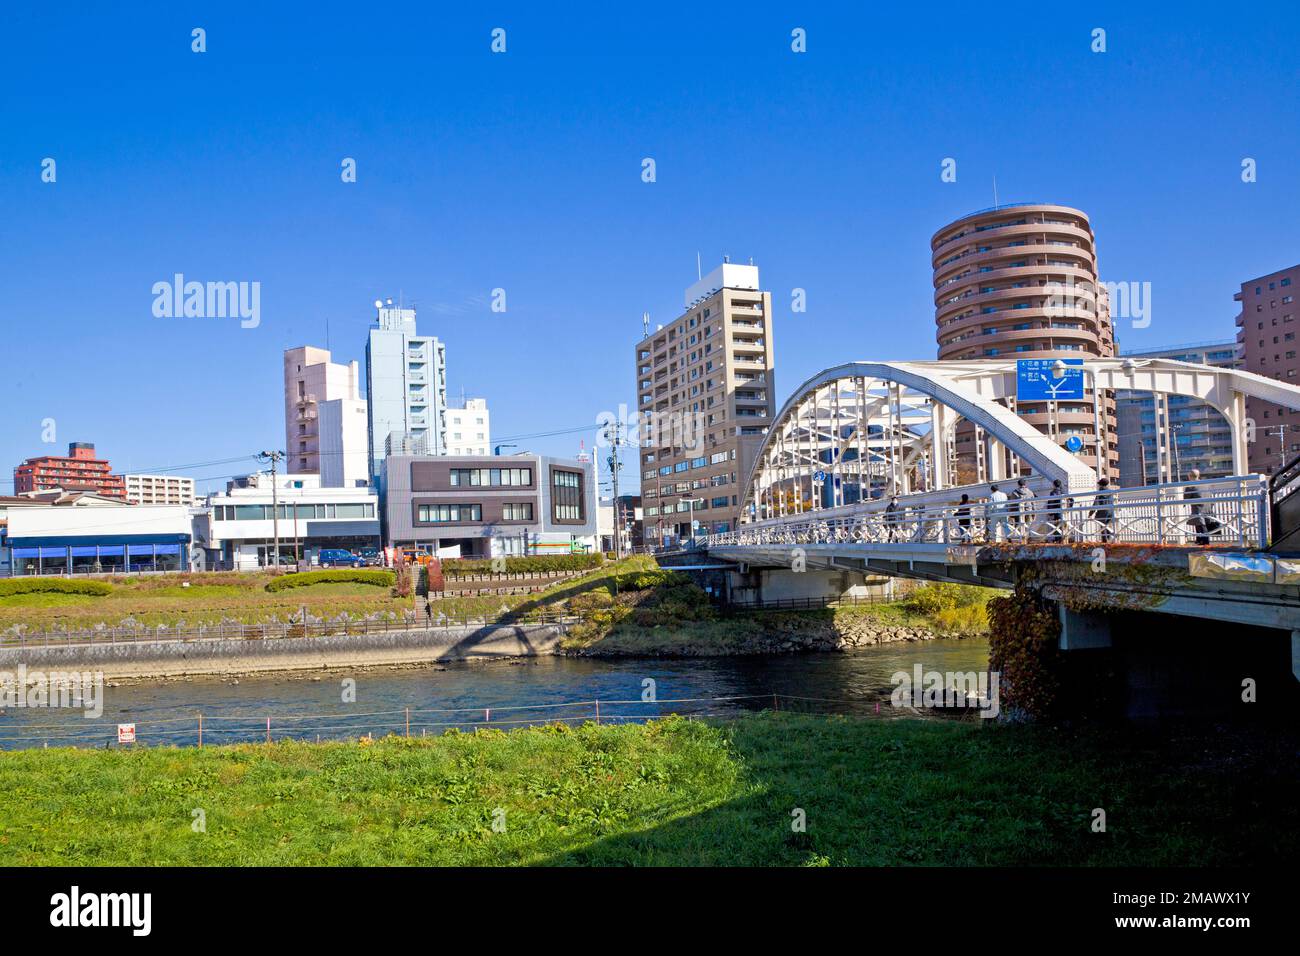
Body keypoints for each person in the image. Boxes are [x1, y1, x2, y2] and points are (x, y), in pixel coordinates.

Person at [1183, 468, 1219, 545]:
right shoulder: (1205, 483)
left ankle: (1205, 542)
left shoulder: (1190, 486)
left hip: (1198, 508)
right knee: (1200, 523)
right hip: (1208, 507)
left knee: (1200, 524)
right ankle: (1199, 540)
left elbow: (1185, 499)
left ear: (1189, 476)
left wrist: (1183, 505)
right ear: (1198, 475)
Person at [1091, 477, 1115, 543]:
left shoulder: (1100, 492)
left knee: (1103, 526)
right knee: (1108, 526)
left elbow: (1096, 503)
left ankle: (1105, 542)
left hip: (1103, 511)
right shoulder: (1110, 491)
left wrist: (1090, 513)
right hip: (1110, 511)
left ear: (1101, 485)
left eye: (1099, 484)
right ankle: (1110, 540)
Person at [1045, 479, 1067, 543]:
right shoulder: (1064, 492)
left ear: (1054, 485)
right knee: (1063, 526)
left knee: (1057, 526)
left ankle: (1058, 540)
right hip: (1064, 512)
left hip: (1057, 512)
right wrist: (1068, 508)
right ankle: (1063, 539)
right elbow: (1071, 499)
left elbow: (1051, 502)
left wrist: (1050, 512)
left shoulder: (1053, 492)